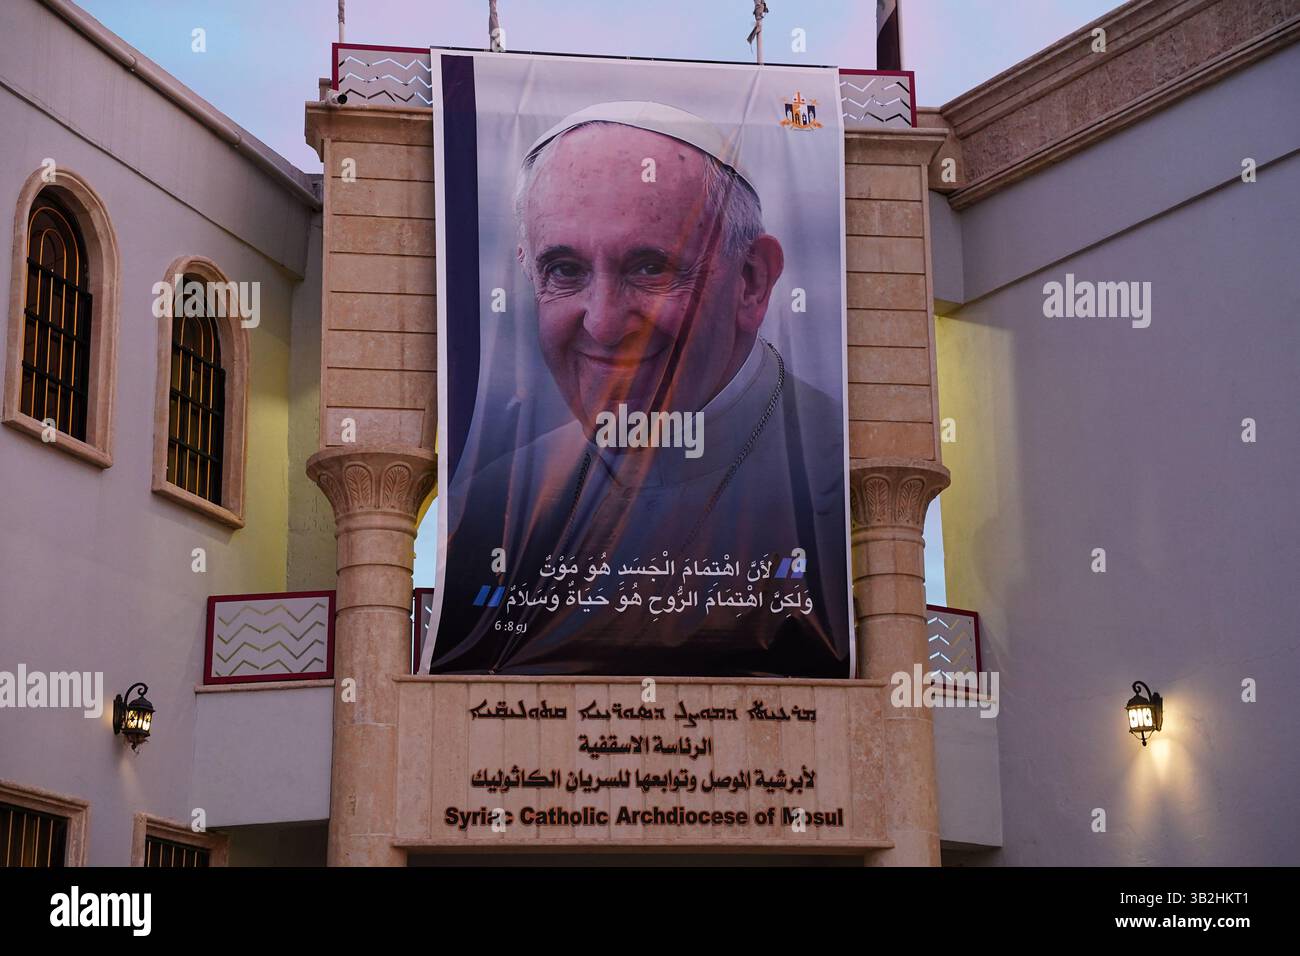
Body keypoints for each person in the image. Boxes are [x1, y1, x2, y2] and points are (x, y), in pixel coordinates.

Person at [428, 102, 849, 677]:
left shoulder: (838, 467)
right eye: (564, 270)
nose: (602, 323)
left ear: (751, 282)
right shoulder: (494, 501)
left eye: (650, 267)